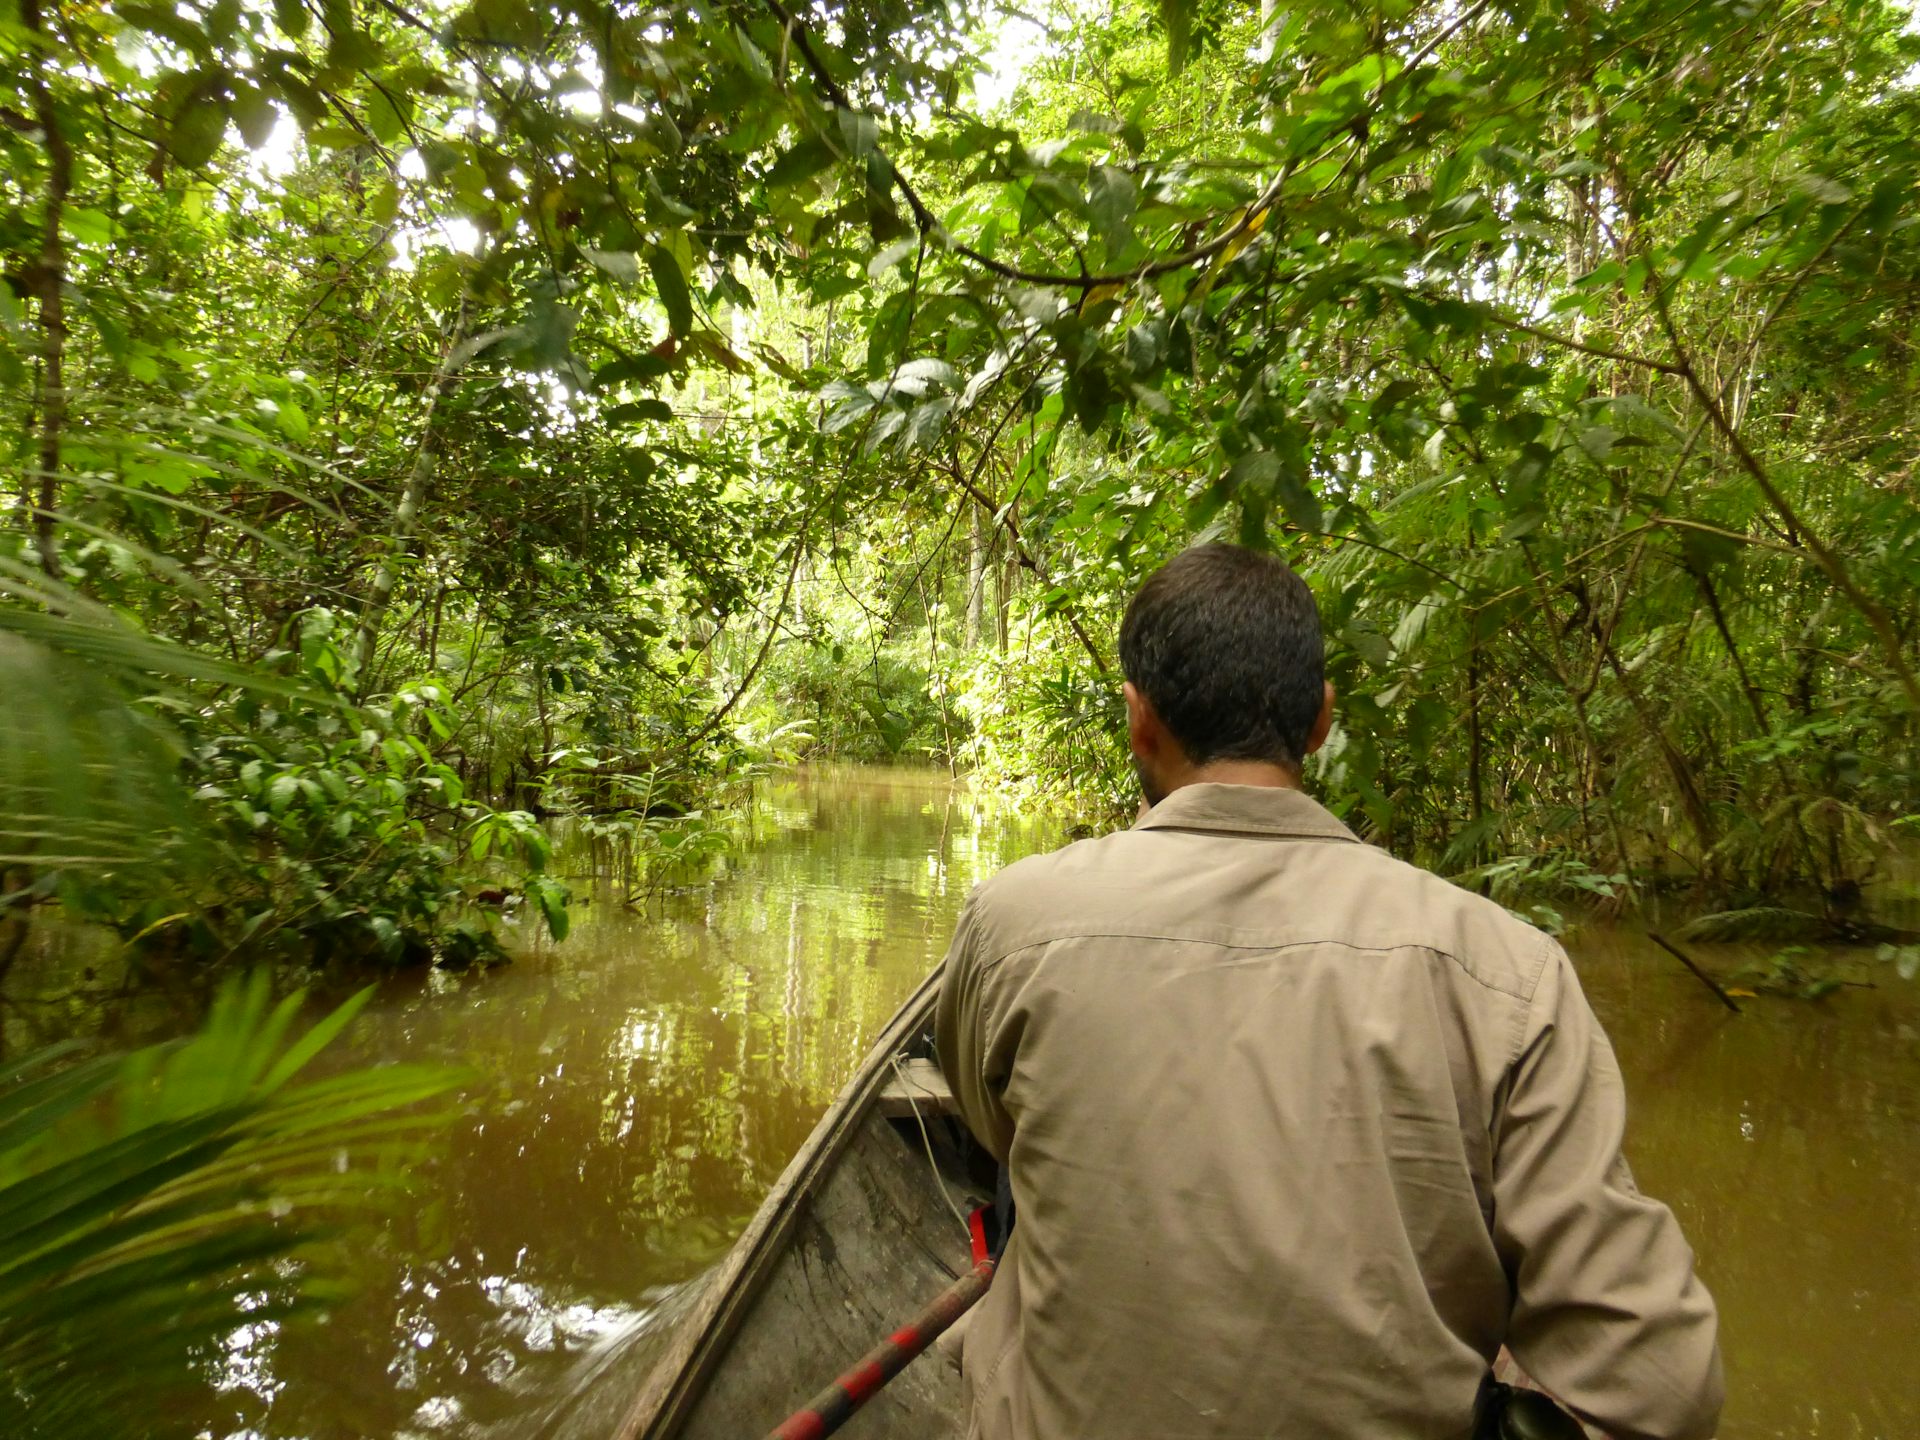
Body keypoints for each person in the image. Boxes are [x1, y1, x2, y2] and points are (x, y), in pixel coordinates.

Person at [934, 543, 1722, 1440]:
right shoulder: (1508, 971)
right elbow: (1660, 1385)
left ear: (1137, 721)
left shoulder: (1013, 921)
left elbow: (987, 1123)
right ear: (1320, 722)